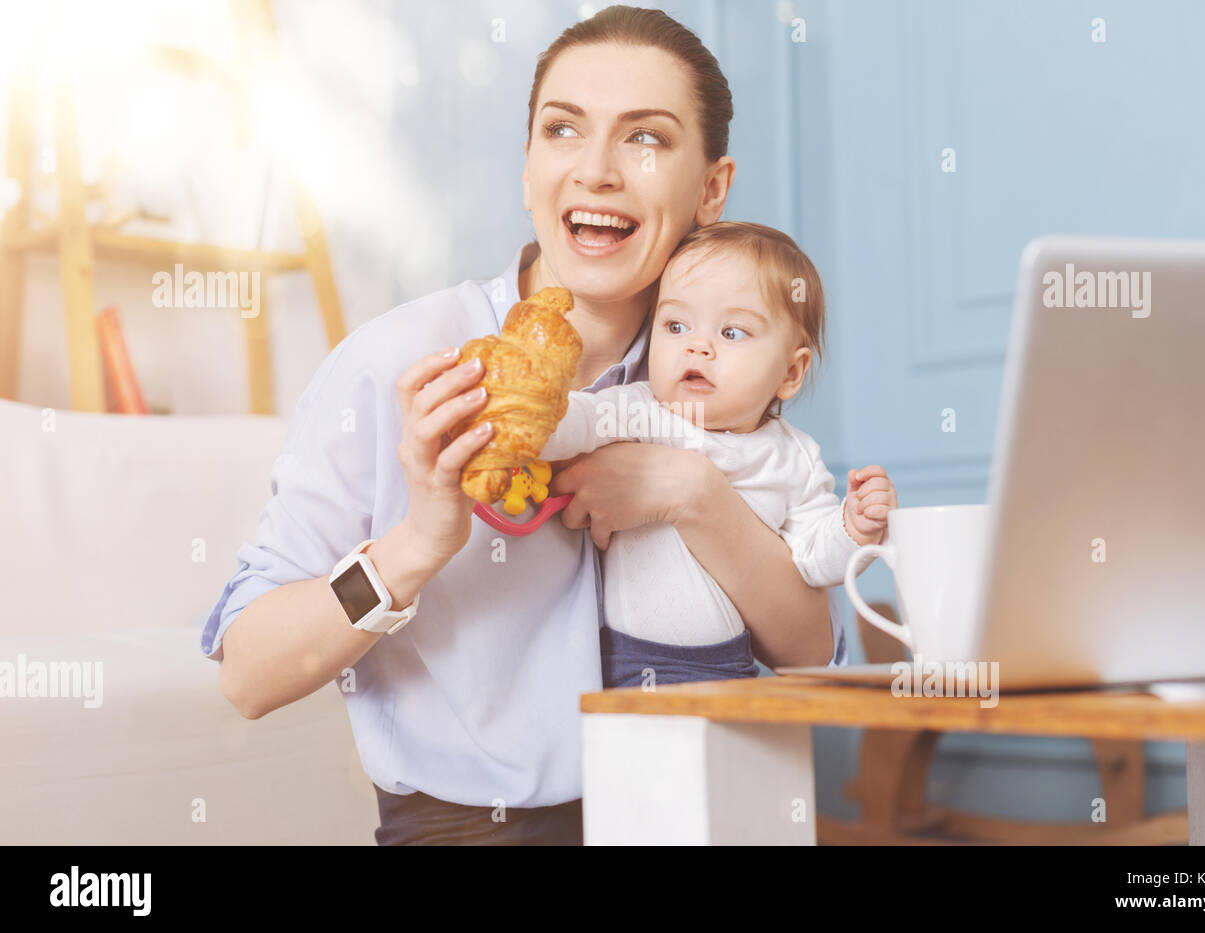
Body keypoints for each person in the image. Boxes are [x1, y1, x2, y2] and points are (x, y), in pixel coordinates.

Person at [200, 5, 846, 846]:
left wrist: (689, 493)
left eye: (645, 138)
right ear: (529, 165)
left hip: (705, 802)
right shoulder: (400, 363)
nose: (598, 171)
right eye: (563, 130)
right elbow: (249, 672)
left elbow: (813, 654)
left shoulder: (725, 359)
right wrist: (416, 545)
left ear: (711, 190)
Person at [538, 221, 899, 688]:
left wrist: (855, 528)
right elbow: (579, 421)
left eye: (732, 333)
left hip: (730, 669)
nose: (697, 345)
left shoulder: (792, 457)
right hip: (622, 664)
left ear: (791, 372)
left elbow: (816, 560)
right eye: (675, 325)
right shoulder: (640, 408)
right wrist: (525, 424)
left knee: (733, 760)